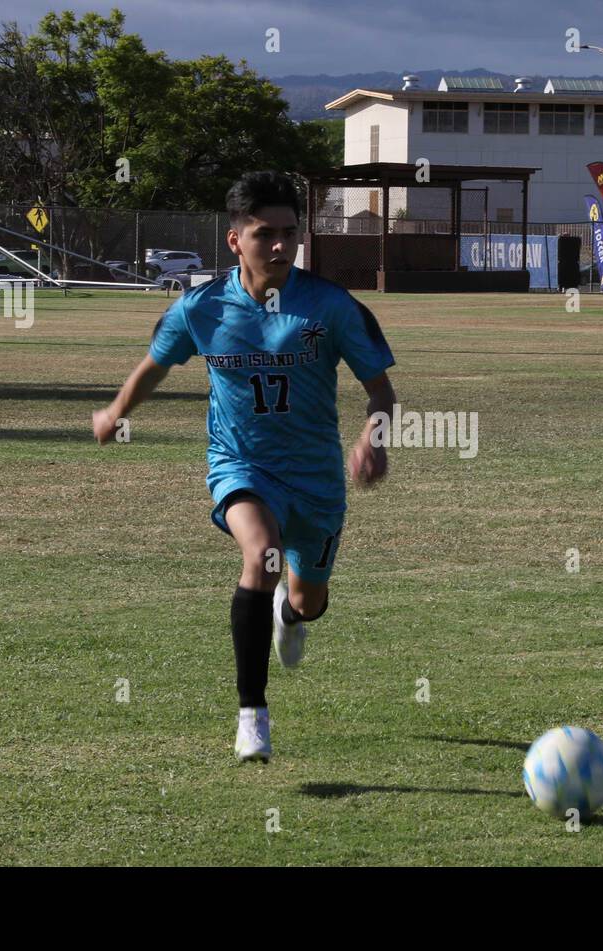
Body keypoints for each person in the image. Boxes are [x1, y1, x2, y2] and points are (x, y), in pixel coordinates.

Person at [91, 171, 397, 762]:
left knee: (311, 601)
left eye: (290, 233)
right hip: (242, 466)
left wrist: (374, 440)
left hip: (316, 479)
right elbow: (155, 364)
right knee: (260, 555)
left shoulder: (331, 306)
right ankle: (252, 714)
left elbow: (382, 391)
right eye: (264, 234)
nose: (280, 246)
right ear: (235, 239)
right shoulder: (201, 308)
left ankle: (289, 610)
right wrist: (115, 412)